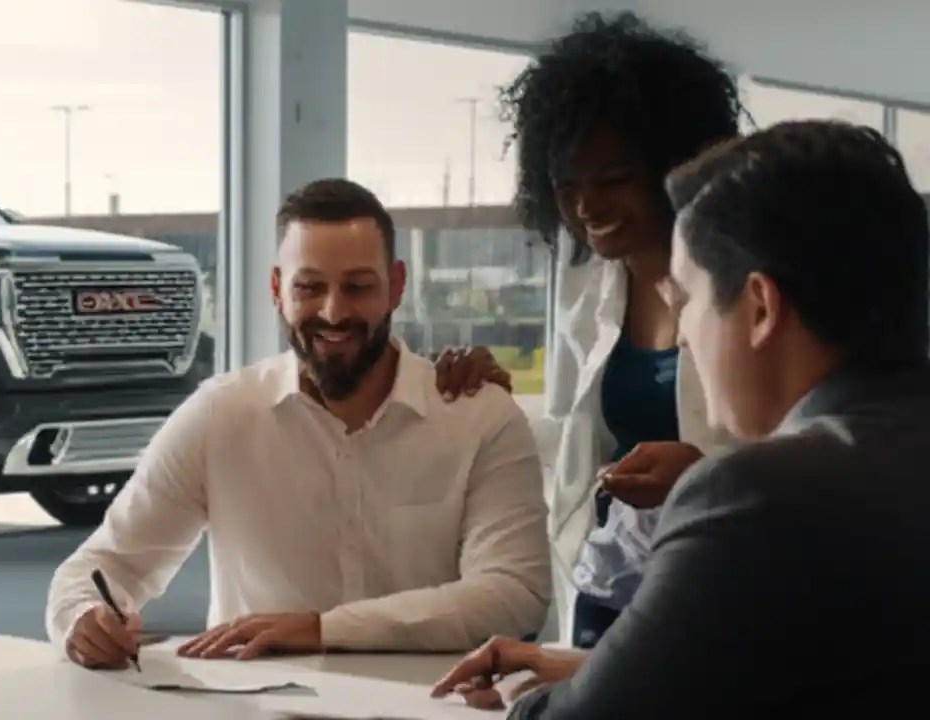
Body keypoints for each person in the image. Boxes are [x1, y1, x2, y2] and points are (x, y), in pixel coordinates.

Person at [431, 119, 930, 717]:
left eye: (688, 300)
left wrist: (531, 703)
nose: (685, 334)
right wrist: (596, 668)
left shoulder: (755, 496)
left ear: (760, 306)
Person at [45, 178, 552, 669]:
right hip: (255, 710)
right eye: (309, 287)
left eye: (357, 287)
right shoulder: (221, 415)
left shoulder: (480, 417)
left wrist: (320, 629)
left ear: (396, 286)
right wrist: (83, 619)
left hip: (429, 710)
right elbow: (102, 568)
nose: (333, 312)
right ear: (276, 288)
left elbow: (514, 593)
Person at [435, 11, 743, 647]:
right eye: (567, 188)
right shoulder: (588, 286)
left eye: (614, 181)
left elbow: (811, 455)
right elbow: (578, 439)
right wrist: (493, 393)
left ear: (677, 164)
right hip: (613, 592)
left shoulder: (746, 288)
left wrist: (702, 475)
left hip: (724, 588)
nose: (587, 209)